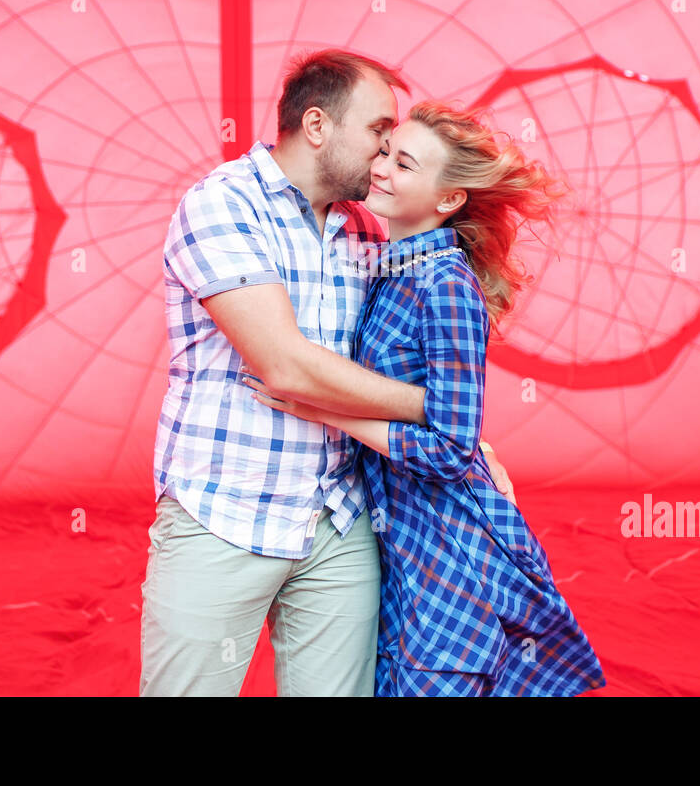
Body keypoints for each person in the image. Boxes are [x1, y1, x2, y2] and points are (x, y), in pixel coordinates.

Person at [140, 50, 516, 696]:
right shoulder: (222, 206)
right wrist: (437, 410)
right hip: (224, 515)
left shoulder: (367, 233)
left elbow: (405, 354)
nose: (385, 153)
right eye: (378, 132)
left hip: (338, 525)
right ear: (317, 126)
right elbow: (285, 367)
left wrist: (471, 443)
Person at [244, 100, 607, 696]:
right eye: (385, 151)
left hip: (449, 549)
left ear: (448, 200)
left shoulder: (444, 285)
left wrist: (326, 409)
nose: (381, 167)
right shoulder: (391, 270)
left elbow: (450, 448)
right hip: (399, 540)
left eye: (405, 164)